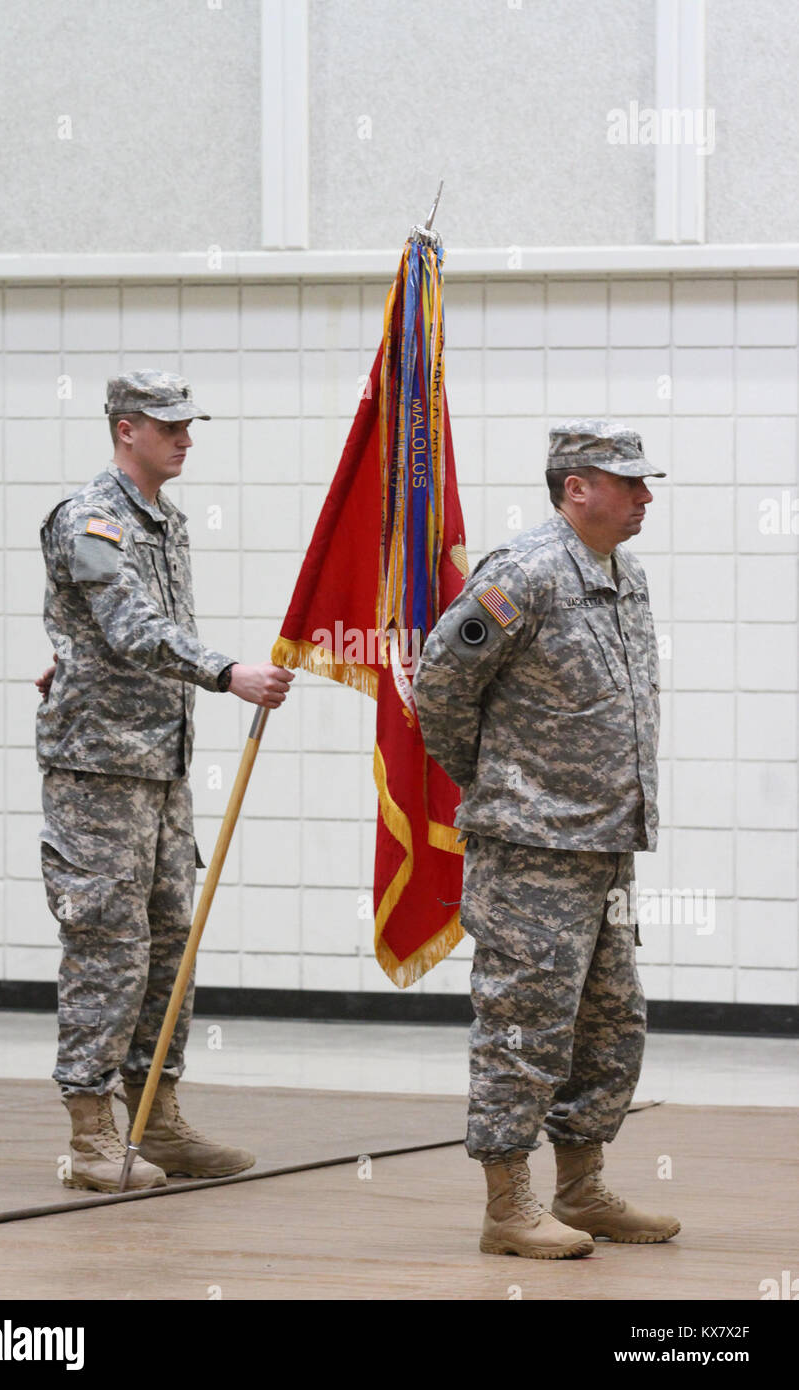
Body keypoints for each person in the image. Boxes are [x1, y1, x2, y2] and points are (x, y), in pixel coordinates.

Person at [412, 418, 680, 1259]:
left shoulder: (623, 577)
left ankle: (582, 1186)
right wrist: (499, 784)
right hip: (529, 849)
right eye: (627, 481)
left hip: (603, 845)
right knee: (523, 1025)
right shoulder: (521, 575)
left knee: (609, 1023)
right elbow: (438, 686)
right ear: (575, 488)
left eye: (643, 483)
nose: (643, 497)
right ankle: (508, 1205)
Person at [35, 369, 294, 1193]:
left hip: (156, 765)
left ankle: (157, 1116)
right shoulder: (92, 517)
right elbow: (127, 626)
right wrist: (226, 673)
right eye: (168, 425)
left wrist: (72, 661)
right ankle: (89, 1137)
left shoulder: (164, 519)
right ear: (125, 430)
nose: (185, 438)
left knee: (167, 949)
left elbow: (104, 634)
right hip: (98, 771)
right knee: (107, 946)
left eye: (189, 424)